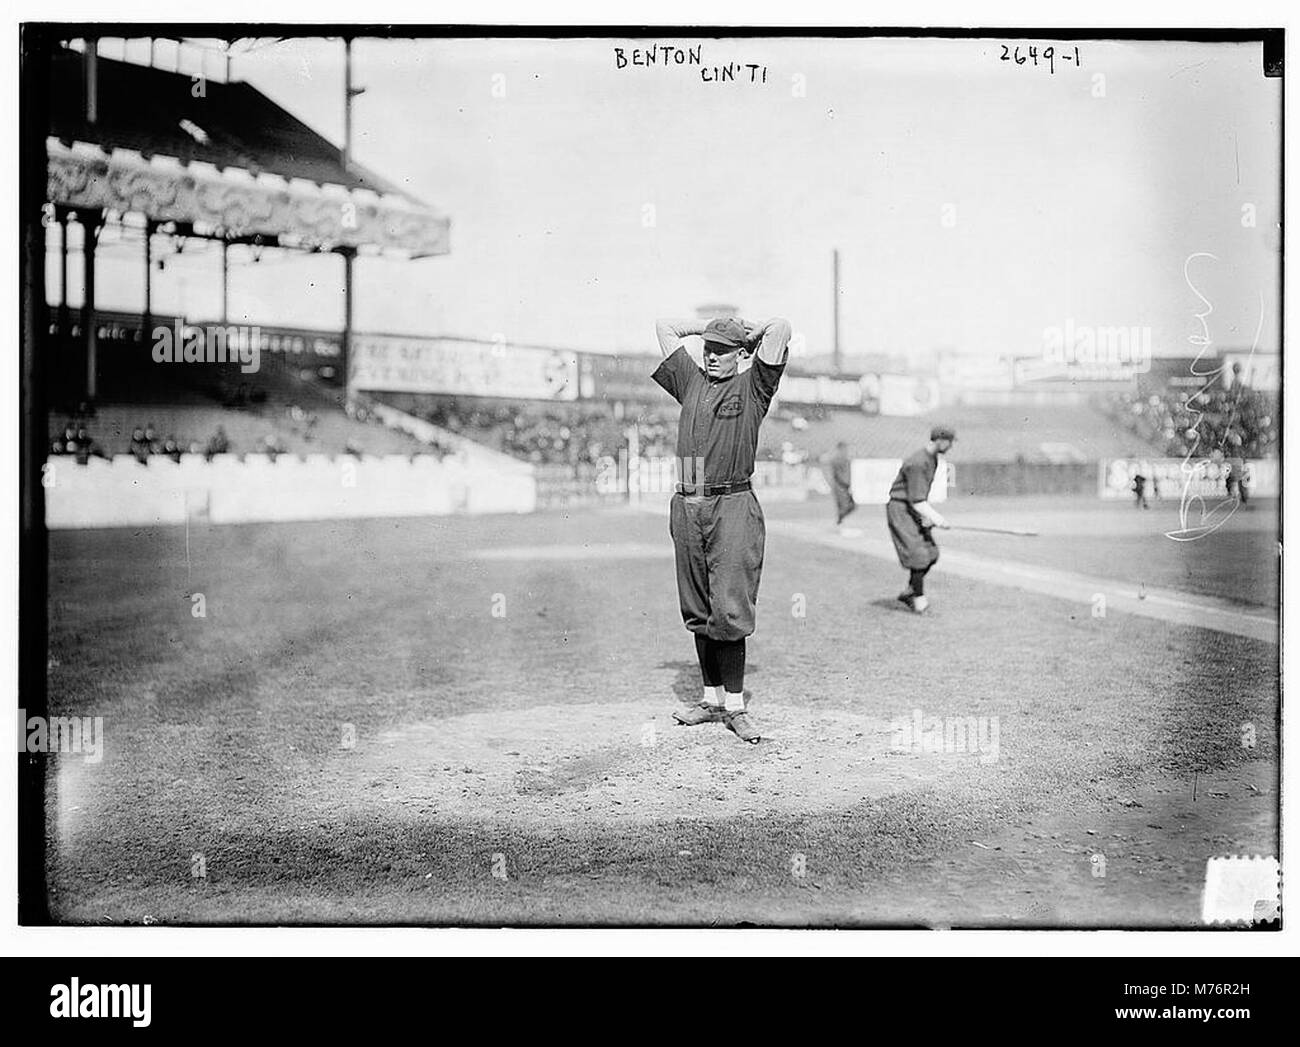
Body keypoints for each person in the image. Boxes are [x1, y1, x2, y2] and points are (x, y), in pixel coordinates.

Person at [652, 314, 792, 744]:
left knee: (729, 610)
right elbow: (664, 327)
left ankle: (735, 706)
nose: (711, 356)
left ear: (740, 355)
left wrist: (748, 336)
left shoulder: (754, 387)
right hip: (689, 503)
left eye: (721, 350)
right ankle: (711, 700)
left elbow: (782, 327)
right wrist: (704, 328)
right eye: (708, 349)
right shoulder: (690, 382)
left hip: (732, 503)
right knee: (699, 609)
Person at [887, 426, 956, 614]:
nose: (950, 446)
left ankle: (910, 590)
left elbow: (918, 499)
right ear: (940, 440)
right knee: (919, 555)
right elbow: (916, 500)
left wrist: (927, 516)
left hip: (913, 508)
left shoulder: (932, 459)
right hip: (901, 509)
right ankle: (919, 600)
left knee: (932, 553)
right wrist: (937, 519)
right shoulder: (918, 462)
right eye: (949, 442)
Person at [825, 440, 856, 528]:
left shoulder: (846, 459)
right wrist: (843, 484)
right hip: (840, 486)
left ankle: (840, 521)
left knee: (851, 505)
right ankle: (840, 522)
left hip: (845, 486)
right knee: (844, 505)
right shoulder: (837, 459)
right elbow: (838, 474)